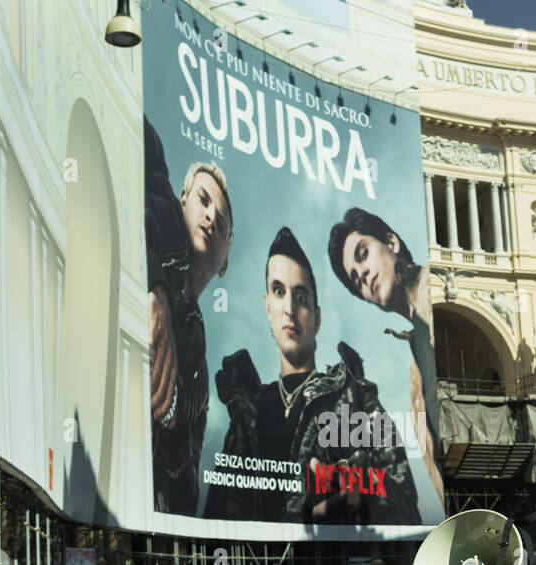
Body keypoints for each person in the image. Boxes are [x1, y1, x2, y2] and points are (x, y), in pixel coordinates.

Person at [204, 226, 419, 525]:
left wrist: (361, 490)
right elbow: (215, 513)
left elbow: (405, 500)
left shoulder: (353, 397)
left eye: (301, 297)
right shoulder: (245, 412)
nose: (290, 309)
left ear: (317, 318)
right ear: (267, 306)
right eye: (279, 292)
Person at [146, 118, 233, 515]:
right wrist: (156, 285)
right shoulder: (159, 212)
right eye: (203, 199)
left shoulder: (200, 375)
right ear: (182, 200)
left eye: (223, 219)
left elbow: (186, 499)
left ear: (226, 262)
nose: (212, 215)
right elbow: (144, 140)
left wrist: (174, 424)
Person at [327, 207, 443, 505]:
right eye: (355, 280)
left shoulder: (440, 291)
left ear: (391, 242)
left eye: (363, 254)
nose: (362, 276)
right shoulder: (415, 378)